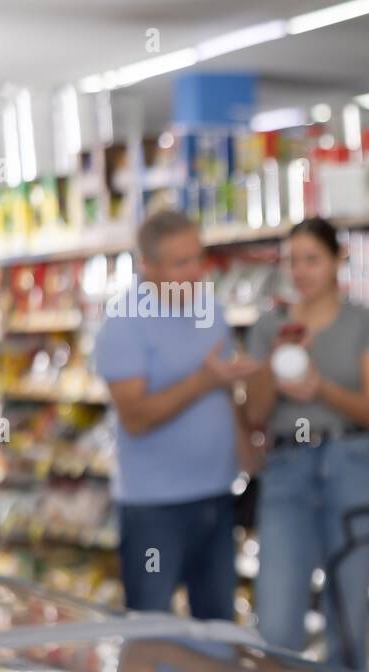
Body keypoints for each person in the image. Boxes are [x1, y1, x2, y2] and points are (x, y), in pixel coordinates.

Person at [244, 218, 369, 671]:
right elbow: (254, 412)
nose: (302, 271)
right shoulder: (269, 327)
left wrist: (319, 389)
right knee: (276, 624)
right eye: (292, 261)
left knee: (348, 620)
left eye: (312, 259)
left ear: (336, 261)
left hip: (352, 465)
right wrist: (273, 362)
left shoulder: (367, 324)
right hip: (287, 470)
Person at [94, 209, 259, 619]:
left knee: (217, 627)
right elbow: (135, 416)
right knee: (150, 628)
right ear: (147, 266)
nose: (195, 272)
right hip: (155, 508)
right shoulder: (123, 324)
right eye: (180, 263)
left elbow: (225, 392)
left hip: (216, 498)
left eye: (198, 259)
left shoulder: (210, 310)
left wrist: (248, 454)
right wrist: (202, 381)